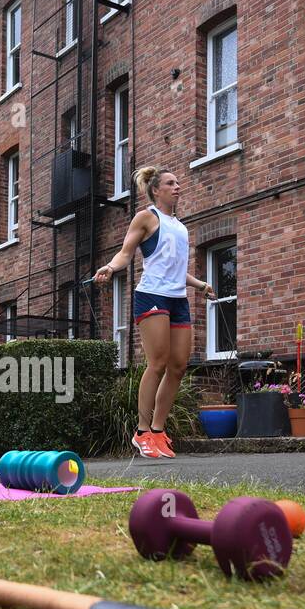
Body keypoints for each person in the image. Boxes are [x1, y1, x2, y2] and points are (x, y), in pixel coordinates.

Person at [94, 167, 214, 459]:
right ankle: (142, 431)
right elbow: (126, 252)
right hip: (151, 295)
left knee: (178, 366)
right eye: (170, 184)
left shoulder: (181, 227)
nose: (177, 187)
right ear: (156, 190)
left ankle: (158, 432)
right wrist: (111, 267)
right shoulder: (147, 217)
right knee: (157, 363)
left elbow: (175, 268)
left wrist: (200, 284)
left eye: (178, 183)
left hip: (177, 299)